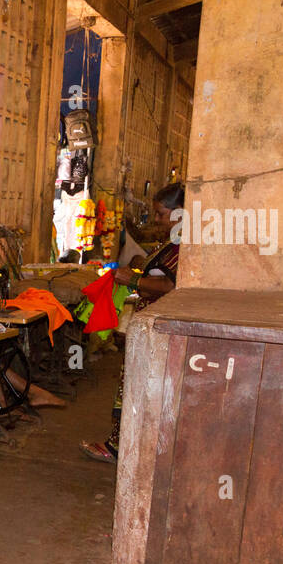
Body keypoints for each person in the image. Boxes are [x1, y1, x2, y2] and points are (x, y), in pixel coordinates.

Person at [80, 181, 183, 463]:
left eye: (162, 213)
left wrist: (134, 279)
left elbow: (173, 286)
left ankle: (122, 447)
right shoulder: (174, 241)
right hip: (152, 324)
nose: (158, 220)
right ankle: (127, 444)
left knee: (142, 386)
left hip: (160, 327)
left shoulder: (182, 244)